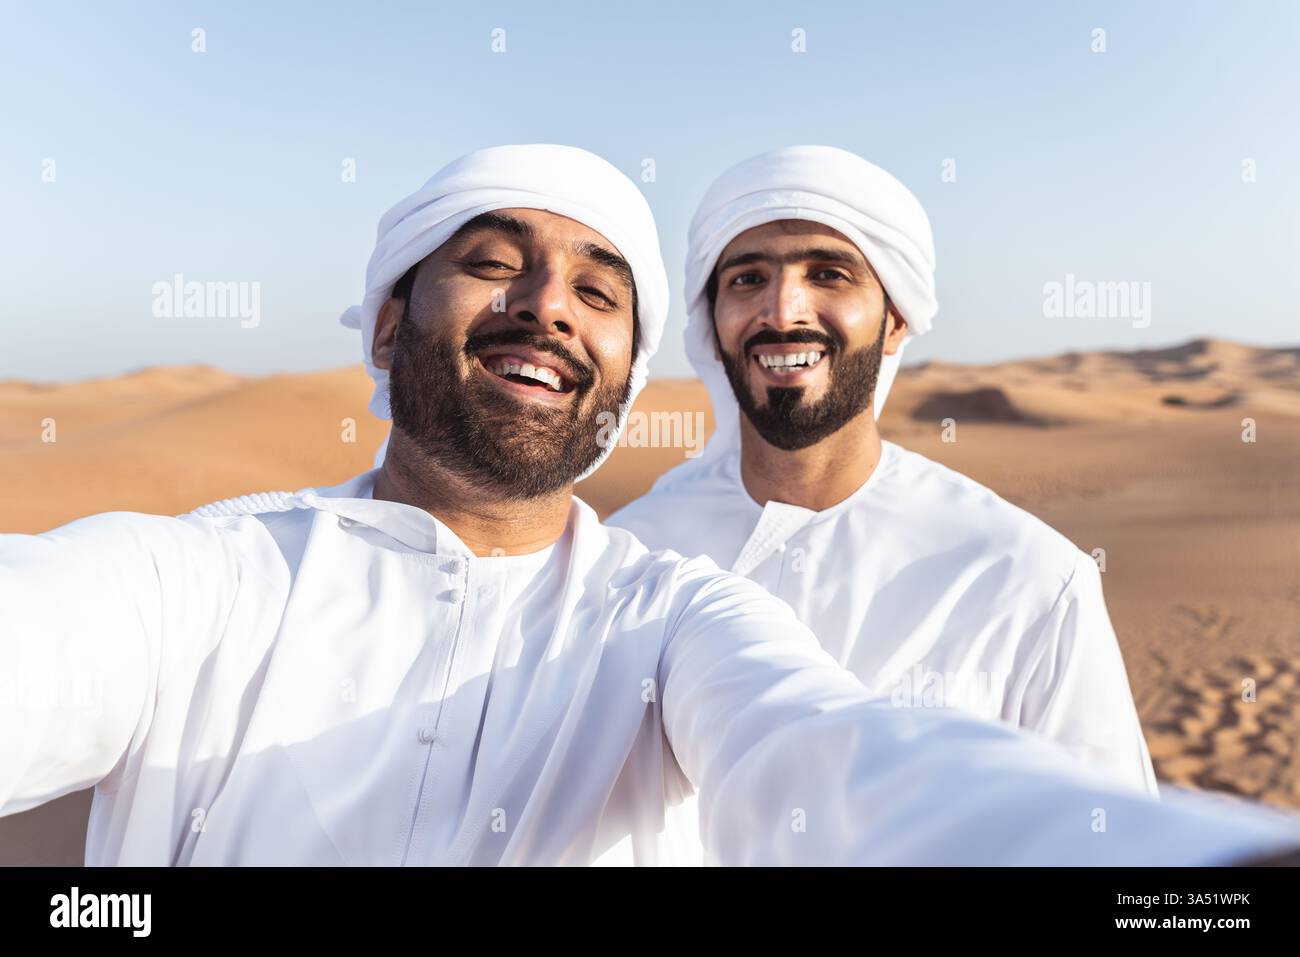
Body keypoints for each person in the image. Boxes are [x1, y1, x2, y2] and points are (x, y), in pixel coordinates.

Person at [1, 145, 1295, 866]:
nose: (547, 305)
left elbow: (840, 755)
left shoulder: (668, 617)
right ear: (391, 319)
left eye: (595, 292)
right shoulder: (202, 581)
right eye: (494, 263)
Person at [610, 145, 1157, 798]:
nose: (783, 311)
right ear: (716, 323)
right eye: (747, 279)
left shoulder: (1028, 577)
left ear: (896, 319)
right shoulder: (628, 556)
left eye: (829, 274)